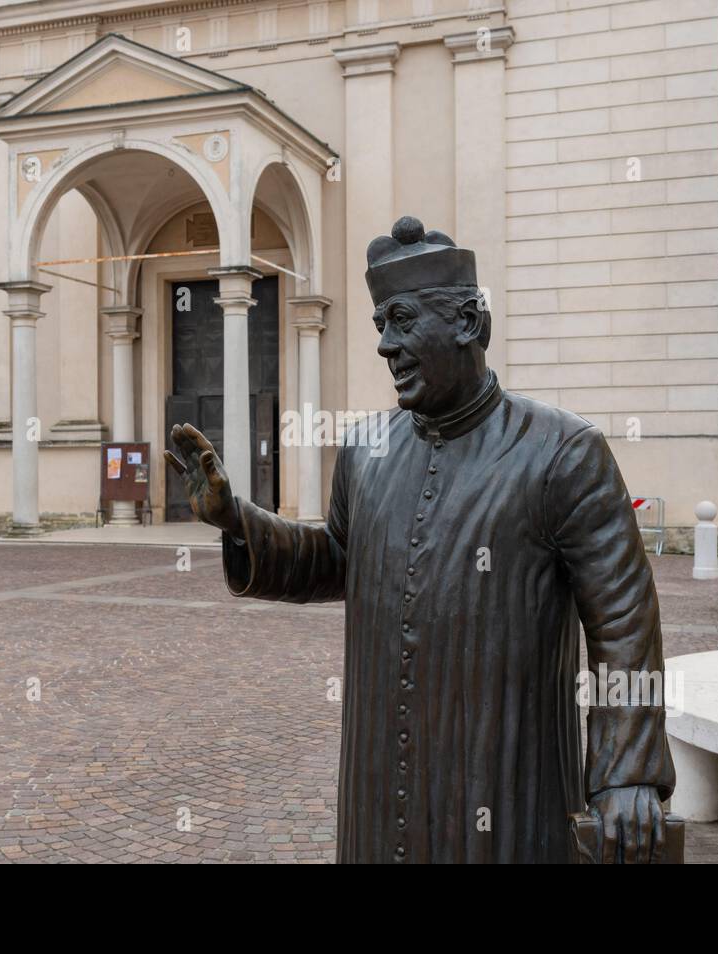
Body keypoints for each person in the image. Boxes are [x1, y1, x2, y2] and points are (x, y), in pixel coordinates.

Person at [165, 216, 674, 863]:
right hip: (378, 780)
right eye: (380, 326)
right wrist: (238, 521)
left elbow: (625, 621)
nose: (385, 346)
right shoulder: (365, 451)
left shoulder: (564, 453)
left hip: (507, 787)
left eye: (401, 321)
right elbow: (341, 559)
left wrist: (626, 771)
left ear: (467, 323)